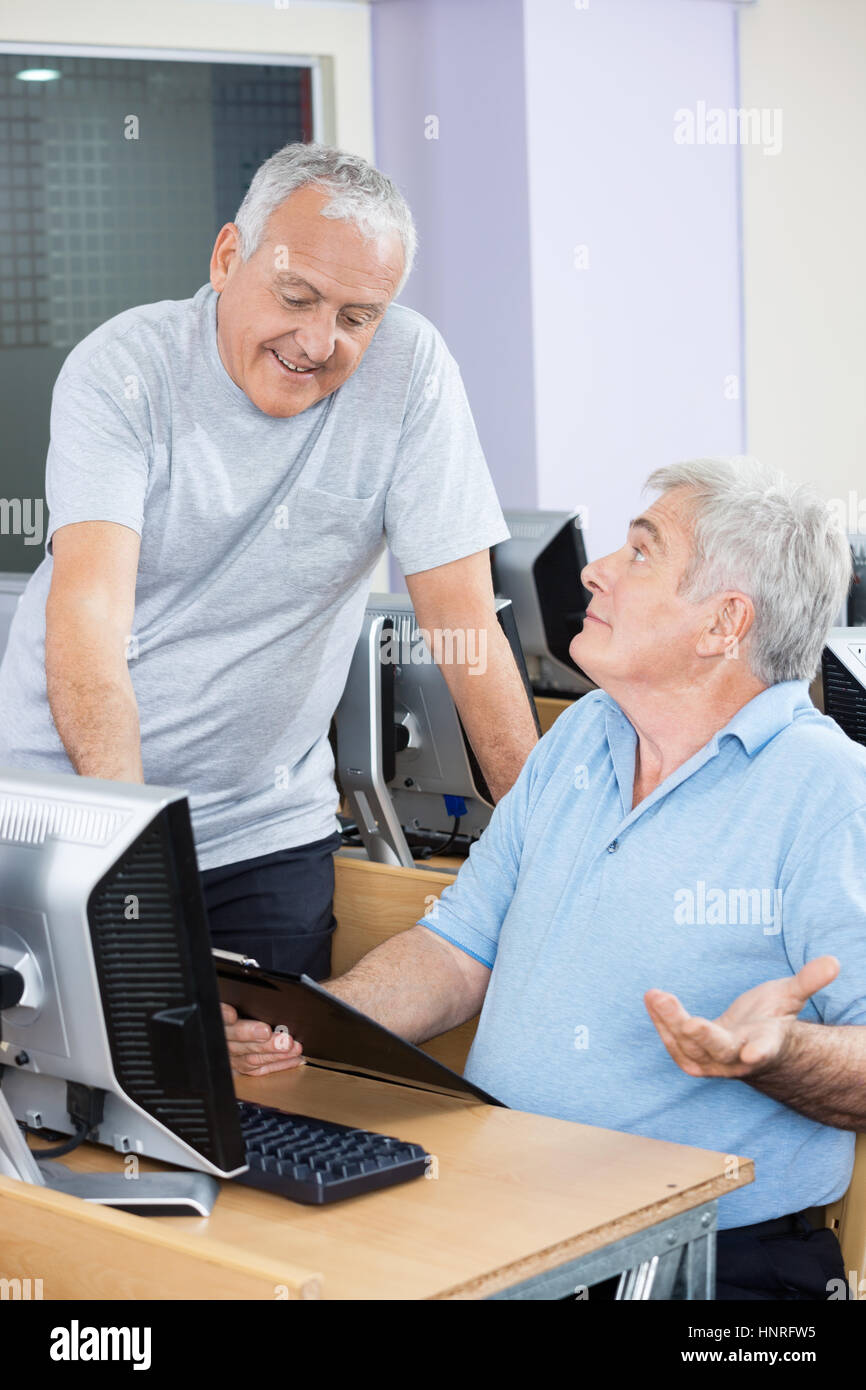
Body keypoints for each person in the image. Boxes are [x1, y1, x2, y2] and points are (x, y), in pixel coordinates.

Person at [225, 457, 866, 1300]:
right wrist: (307, 1021)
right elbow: (458, 951)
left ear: (724, 624)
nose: (595, 571)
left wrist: (775, 1053)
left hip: (700, 1265)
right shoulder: (584, 734)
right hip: (504, 1218)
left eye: (640, 554)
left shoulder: (831, 790)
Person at [0, 143, 538, 978]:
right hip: (77, 811)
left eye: (358, 317)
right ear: (227, 259)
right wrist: (139, 872)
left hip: (266, 826)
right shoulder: (125, 371)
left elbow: (463, 621)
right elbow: (88, 628)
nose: (319, 341)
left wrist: (544, 841)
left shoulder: (411, 372)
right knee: (58, 1096)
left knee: (271, 1085)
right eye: (297, 297)